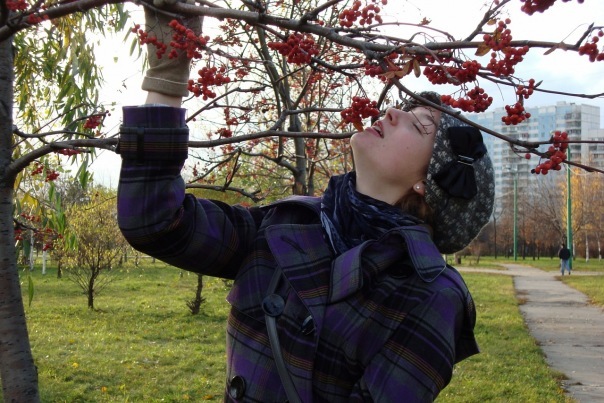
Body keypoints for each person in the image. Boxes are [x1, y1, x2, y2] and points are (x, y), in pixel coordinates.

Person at [116, 3, 495, 401]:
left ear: (426, 184)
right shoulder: (288, 224)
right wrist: (168, 74)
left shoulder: (432, 296)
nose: (392, 111)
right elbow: (155, 221)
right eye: (405, 108)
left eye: (417, 124)